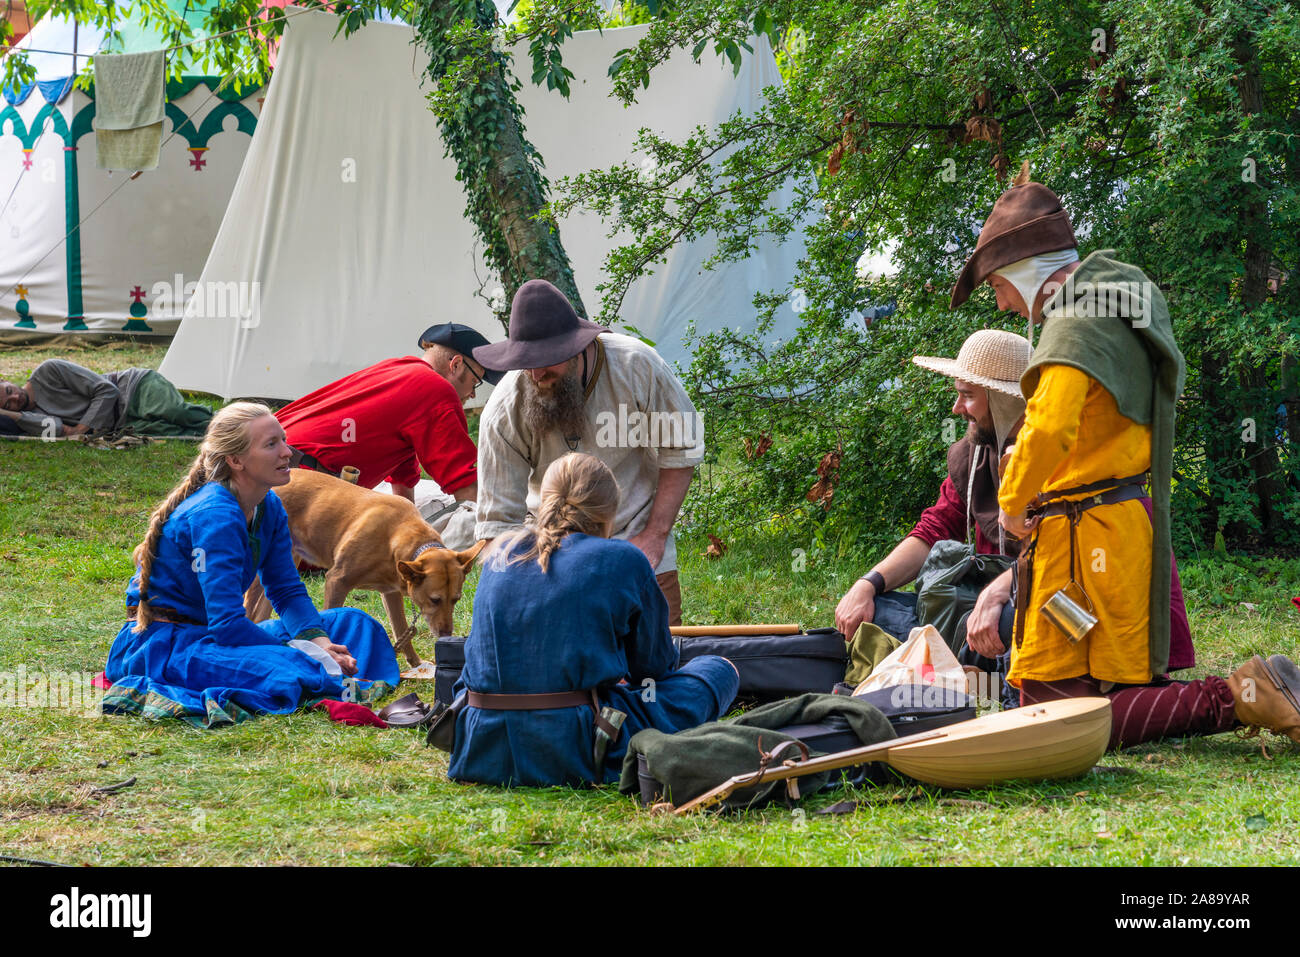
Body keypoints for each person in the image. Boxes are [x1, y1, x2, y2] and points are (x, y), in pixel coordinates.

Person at [950, 166, 1300, 749]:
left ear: (1022, 273)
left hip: (1085, 543)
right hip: (1113, 528)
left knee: (1051, 711)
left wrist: (1012, 506)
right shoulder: (1112, 301)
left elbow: (1051, 426)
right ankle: (1245, 693)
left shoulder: (1074, 322)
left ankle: (1242, 694)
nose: (1004, 303)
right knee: (1093, 689)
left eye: (998, 286)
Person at [833, 329, 1196, 708]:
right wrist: (868, 584)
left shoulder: (1062, 457)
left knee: (1014, 620)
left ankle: (996, 686)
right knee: (883, 612)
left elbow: (1060, 545)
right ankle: (972, 677)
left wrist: (1001, 590)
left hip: (1060, 597)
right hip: (987, 602)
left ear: (1003, 400)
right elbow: (934, 528)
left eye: (968, 395)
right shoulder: (972, 456)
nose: (958, 407)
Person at [102, 402, 401, 727]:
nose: (288, 452)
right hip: (163, 647)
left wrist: (320, 643)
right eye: (272, 444)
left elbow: (285, 591)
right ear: (236, 460)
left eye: (283, 441)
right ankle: (313, 673)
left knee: (355, 625)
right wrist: (302, 653)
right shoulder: (215, 516)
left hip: (213, 637)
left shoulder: (268, 505)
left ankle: (318, 670)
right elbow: (228, 624)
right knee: (285, 668)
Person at [448, 453, 739, 787]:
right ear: (609, 513)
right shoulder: (623, 558)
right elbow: (654, 669)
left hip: (481, 742)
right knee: (716, 670)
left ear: (545, 501)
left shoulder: (498, 551)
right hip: (582, 740)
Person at [472, 280, 704, 624]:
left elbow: (681, 448)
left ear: (578, 348)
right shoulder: (504, 409)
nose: (537, 374)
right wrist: (536, 579)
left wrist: (654, 536)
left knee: (660, 652)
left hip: (635, 530)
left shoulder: (637, 366)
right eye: (527, 362)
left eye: (547, 361)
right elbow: (497, 526)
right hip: (547, 549)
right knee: (570, 664)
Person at [274, 322, 502, 503]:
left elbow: (403, 474)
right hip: (293, 482)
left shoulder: (399, 370)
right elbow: (465, 484)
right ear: (456, 364)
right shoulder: (435, 388)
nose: (472, 394)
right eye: (475, 382)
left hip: (271, 461)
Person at [0, 359, 212, 437]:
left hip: (134, 388)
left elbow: (107, 390)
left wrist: (81, 429)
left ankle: (235, 419)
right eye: (8, 403)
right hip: (122, 422)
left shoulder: (48, 371)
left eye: (9, 391)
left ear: (6, 380)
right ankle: (233, 434)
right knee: (180, 433)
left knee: (179, 413)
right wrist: (9, 414)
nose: (16, 397)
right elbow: (56, 429)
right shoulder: (30, 417)